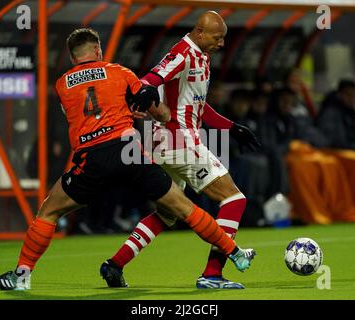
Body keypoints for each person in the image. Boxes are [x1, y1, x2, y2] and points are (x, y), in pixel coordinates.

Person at [0, 28, 256, 290]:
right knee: (185, 207)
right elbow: (160, 112)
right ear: (98, 50)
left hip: (92, 158)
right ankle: (232, 254)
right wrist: (142, 109)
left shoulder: (62, 84)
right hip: (130, 153)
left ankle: (22, 275)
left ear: (72, 58)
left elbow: (84, 112)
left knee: (49, 211)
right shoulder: (119, 72)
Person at [102, 11, 260, 290]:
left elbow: (197, 105)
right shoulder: (183, 52)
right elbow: (153, 76)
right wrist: (148, 89)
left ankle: (115, 264)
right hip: (179, 140)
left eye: (224, 38)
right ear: (199, 32)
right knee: (234, 199)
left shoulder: (201, 55)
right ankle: (212, 274)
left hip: (164, 143)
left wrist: (232, 128)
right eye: (217, 38)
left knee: (168, 213)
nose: (222, 44)